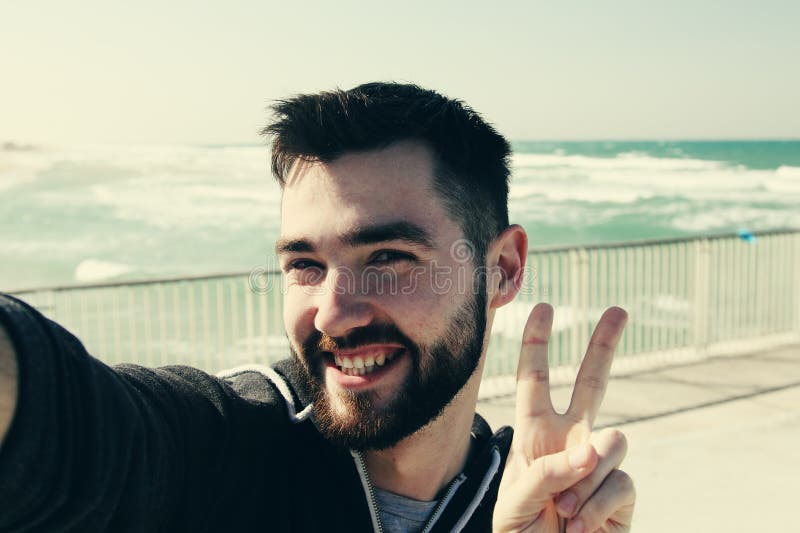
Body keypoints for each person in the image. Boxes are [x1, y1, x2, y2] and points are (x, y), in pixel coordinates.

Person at [0, 82, 635, 532]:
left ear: (501, 269)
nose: (332, 315)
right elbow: (72, 429)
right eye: (304, 265)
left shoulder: (532, 501)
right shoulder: (223, 446)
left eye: (387, 257)